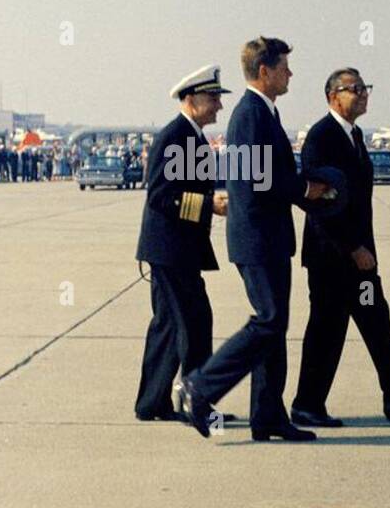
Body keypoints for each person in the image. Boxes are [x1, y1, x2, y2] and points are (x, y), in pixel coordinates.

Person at [180, 37, 330, 441]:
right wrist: (304, 190)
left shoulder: (264, 113)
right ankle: (201, 385)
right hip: (258, 238)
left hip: (269, 237)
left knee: (275, 325)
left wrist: (301, 190)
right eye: (284, 67)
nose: (290, 74)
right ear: (264, 71)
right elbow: (260, 179)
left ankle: (268, 415)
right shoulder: (250, 115)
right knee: (268, 320)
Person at [291, 69, 390, 426]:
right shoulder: (322, 137)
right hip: (333, 259)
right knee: (326, 331)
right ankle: (307, 405)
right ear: (333, 97)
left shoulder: (354, 136)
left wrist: (364, 252)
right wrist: (353, 247)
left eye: (364, 88)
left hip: (360, 263)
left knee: (376, 321)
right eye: (353, 89)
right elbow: (319, 203)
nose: (362, 94)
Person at [134, 64, 231, 420]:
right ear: (191, 99)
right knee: (194, 323)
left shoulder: (191, 137)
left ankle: (152, 403)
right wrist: (209, 205)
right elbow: (161, 195)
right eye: (213, 98)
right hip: (170, 250)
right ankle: (197, 403)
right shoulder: (175, 137)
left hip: (178, 249)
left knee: (168, 327)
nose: (219, 106)